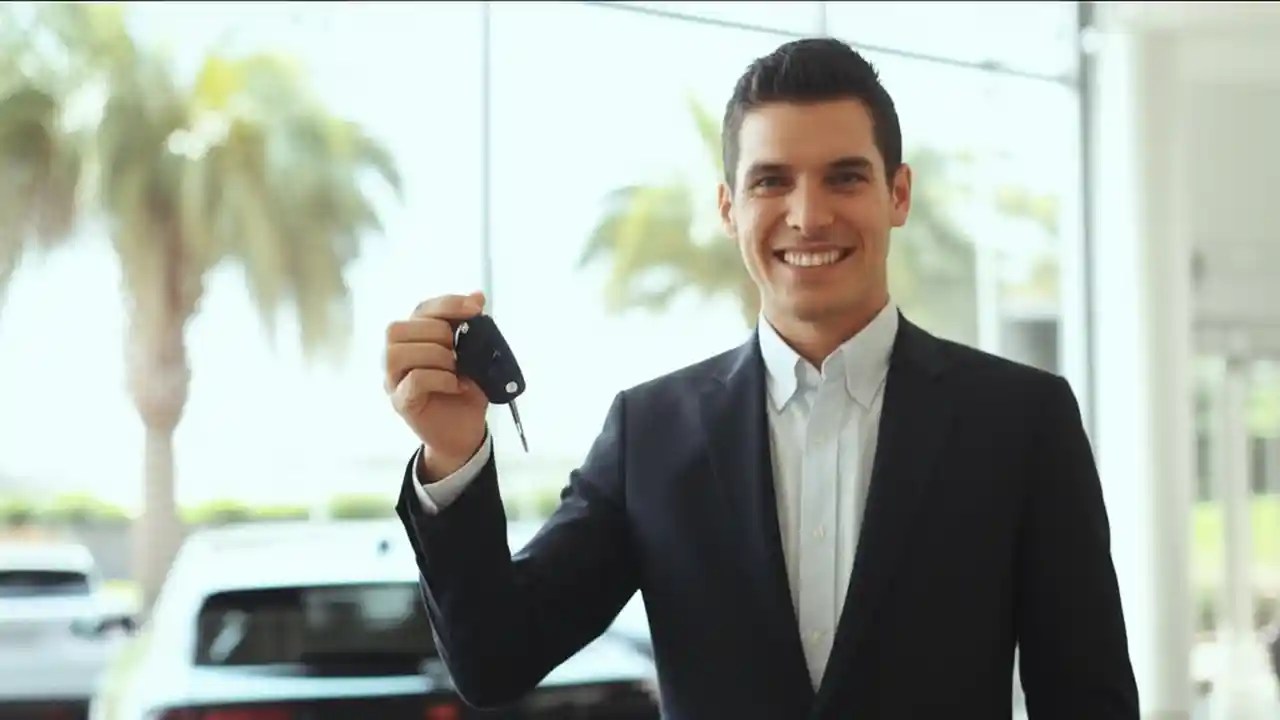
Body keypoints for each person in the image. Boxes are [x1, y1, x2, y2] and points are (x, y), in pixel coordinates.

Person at [384, 37, 1139, 719]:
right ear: (729, 207)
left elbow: (1088, 696)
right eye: (771, 181)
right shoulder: (652, 434)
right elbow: (494, 659)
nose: (808, 216)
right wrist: (452, 457)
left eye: (844, 178)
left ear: (897, 194)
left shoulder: (1019, 420)